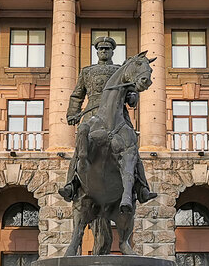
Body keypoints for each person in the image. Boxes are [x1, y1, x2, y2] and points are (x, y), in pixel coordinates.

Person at [59, 35, 157, 205]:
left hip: (118, 118)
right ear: (96, 51)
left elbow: (131, 97)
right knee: (79, 148)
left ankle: (142, 187)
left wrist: (133, 95)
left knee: (131, 149)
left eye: (107, 48)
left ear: (112, 51)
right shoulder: (87, 71)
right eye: (100, 48)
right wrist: (72, 113)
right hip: (92, 115)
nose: (104, 51)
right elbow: (77, 95)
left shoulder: (121, 70)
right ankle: (71, 184)